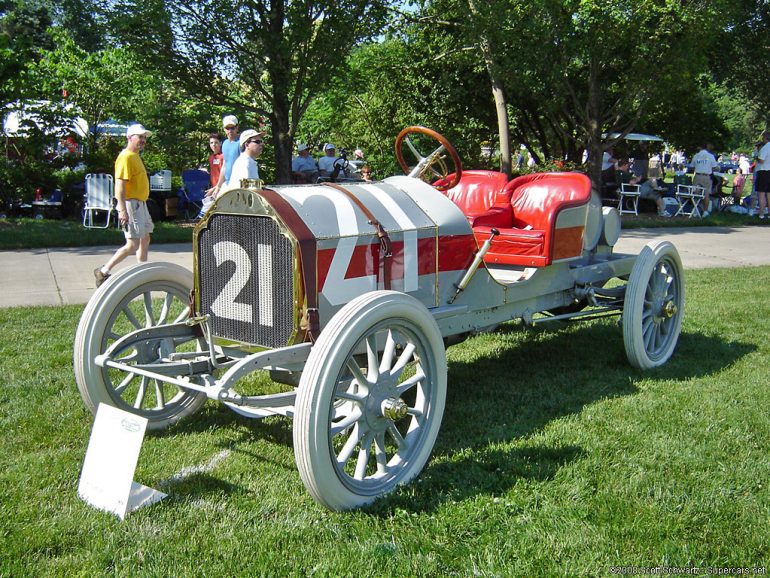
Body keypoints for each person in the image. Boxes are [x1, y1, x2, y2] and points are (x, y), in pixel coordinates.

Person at [93, 124, 154, 287]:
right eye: (139, 137)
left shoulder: (135, 156)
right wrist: (121, 209)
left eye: (144, 137)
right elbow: (119, 185)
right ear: (129, 137)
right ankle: (103, 271)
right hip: (131, 204)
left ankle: (142, 269)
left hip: (141, 203)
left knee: (145, 236)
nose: (143, 140)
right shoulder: (126, 157)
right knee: (132, 244)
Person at [199, 115, 240, 217]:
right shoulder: (225, 144)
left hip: (239, 183)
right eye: (227, 128)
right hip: (226, 183)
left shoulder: (242, 143)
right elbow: (225, 167)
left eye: (232, 127)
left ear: (237, 127)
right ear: (224, 129)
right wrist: (217, 186)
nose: (230, 130)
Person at [691, 143, 719, 217]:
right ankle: (705, 212)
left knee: (696, 193)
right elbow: (714, 167)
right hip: (706, 176)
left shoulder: (696, 156)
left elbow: (692, 166)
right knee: (706, 195)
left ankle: (696, 210)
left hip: (697, 176)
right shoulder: (710, 156)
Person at [755, 131, 770, 219]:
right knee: (769, 193)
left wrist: (756, 156)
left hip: (763, 171)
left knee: (761, 193)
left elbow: (761, 160)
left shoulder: (765, 148)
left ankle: (761, 213)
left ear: (765, 138)